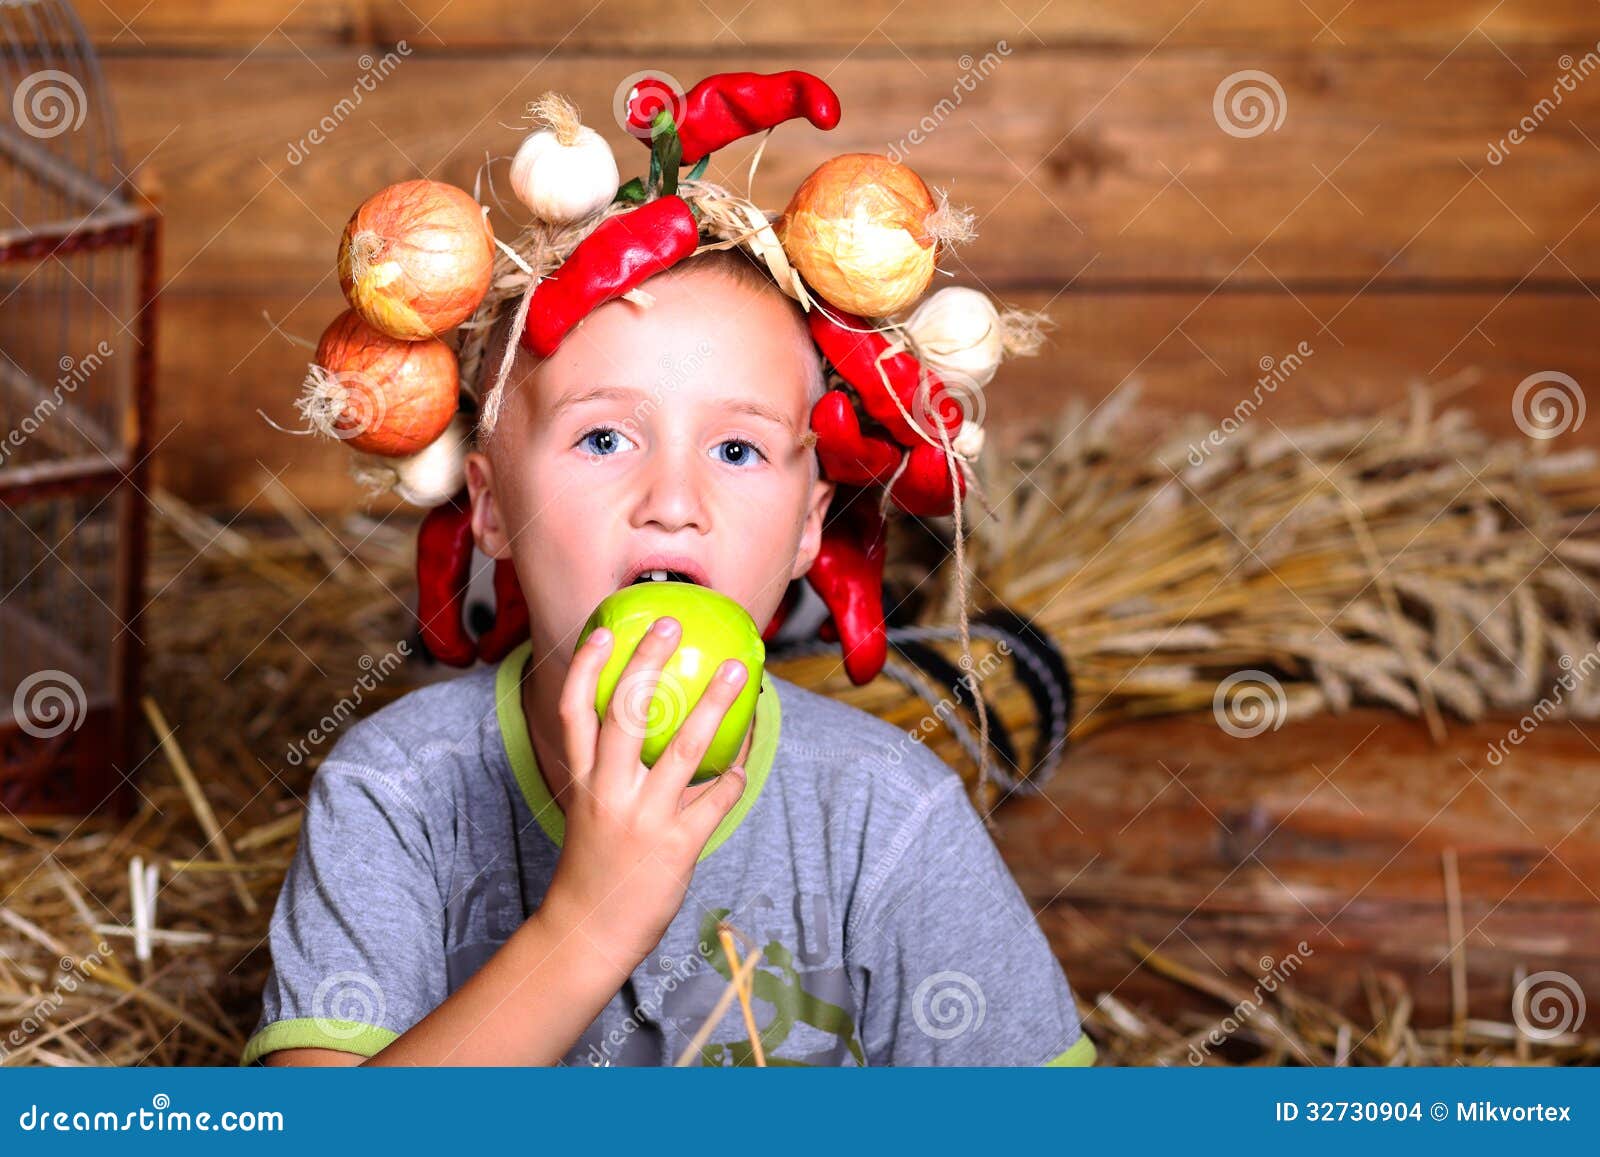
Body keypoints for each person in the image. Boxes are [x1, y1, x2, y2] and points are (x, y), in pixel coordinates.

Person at [243, 70, 1094, 1068]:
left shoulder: (885, 814)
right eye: (604, 438)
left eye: (737, 449)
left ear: (809, 528)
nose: (673, 499)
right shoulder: (395, 792)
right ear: (490, 509)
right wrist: (589, 921)